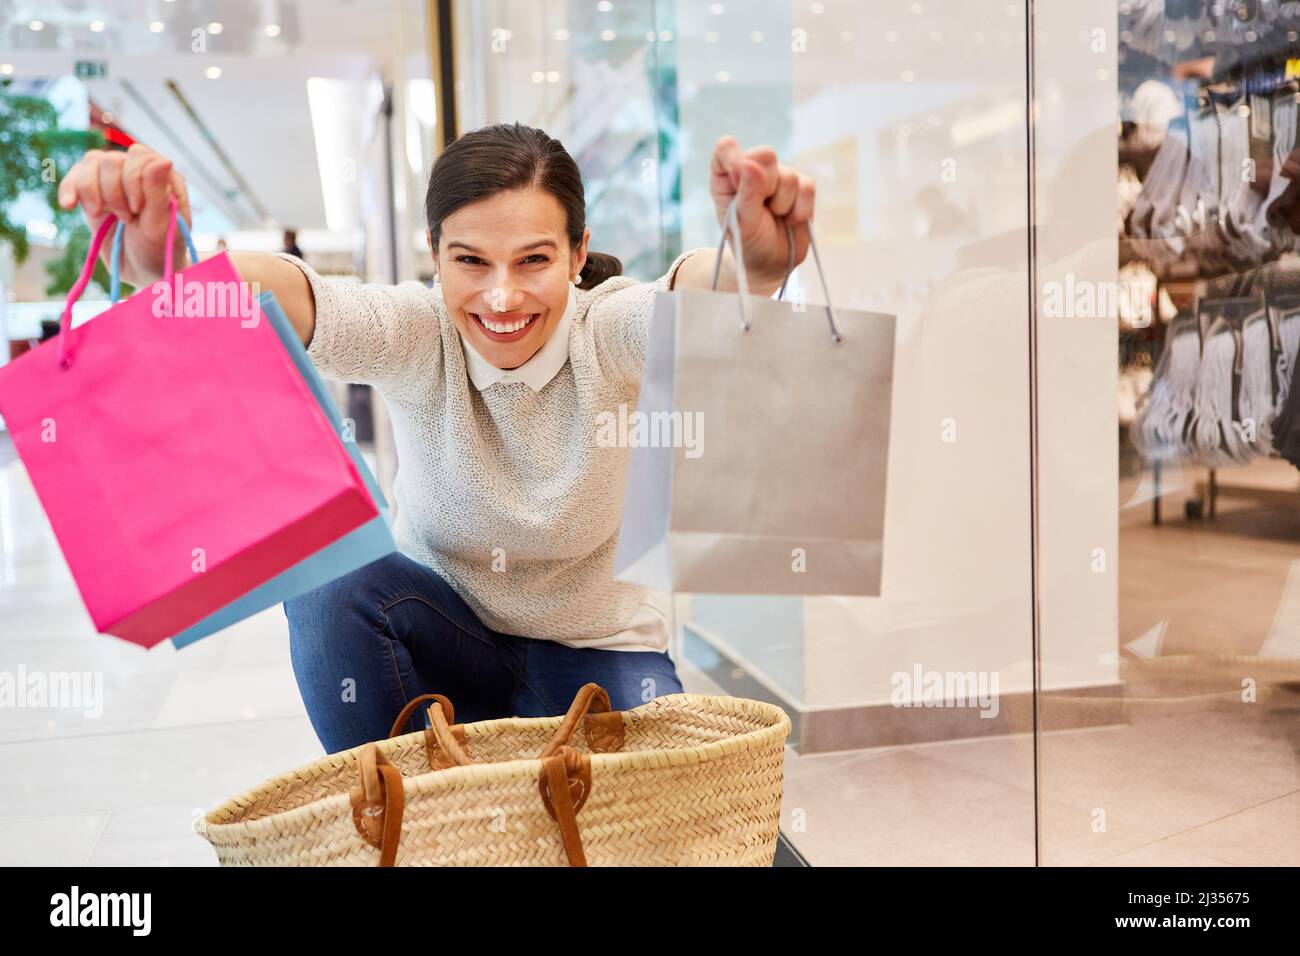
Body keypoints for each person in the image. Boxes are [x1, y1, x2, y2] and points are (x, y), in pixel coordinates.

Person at [56, 123, 816, 754]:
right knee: (327, 574)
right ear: (435, 255)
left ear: (579, 253)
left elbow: (674, 304)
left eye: (535, 261)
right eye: (470, 262)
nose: (501, 296)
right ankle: (405, 821)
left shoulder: (607, 327)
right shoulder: (418, 332)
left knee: (645, 828)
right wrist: (183, 270)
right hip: (445, 646)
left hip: (599, 658)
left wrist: (747, 269)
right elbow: (290, 295)